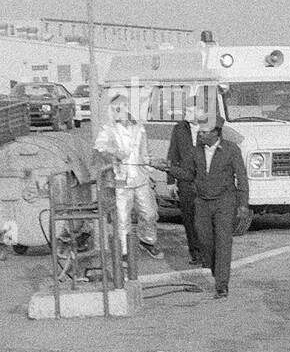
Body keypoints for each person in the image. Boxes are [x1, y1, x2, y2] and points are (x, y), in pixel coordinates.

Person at [177, 112, 249, 299]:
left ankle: (222, 285)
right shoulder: (195, 151)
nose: (200, 135)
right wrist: (167, 168)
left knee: (223, 242)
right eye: (199, 132)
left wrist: (243, 204)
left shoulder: (231, 150)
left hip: (225, 201)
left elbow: (241, 177)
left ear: (216, 133)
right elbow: (187, 174)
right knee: (205, 241)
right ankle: (215, 269)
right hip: (202, 202)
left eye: (203, 132)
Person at [94, 93, 163, 260]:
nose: (119, 111)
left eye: (122, 107)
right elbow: (99, 148)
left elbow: (145, 151)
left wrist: (148, 167)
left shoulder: (139, 128)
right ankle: (124, 250)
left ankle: (147, 240)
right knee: (122, 216)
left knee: (149, 212)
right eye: (115, 109)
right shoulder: (108, 129)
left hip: (140, 178)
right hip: (121, 180)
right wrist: (114, 153)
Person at [165, 105, 203, 265]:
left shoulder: (212, 128)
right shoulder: (179, 129)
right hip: (186, 181)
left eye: (190, 111)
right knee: (189, 219)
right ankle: (195, 253)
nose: (186, 114)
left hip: (206, 181)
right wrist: (171, 181)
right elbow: (172, 154)